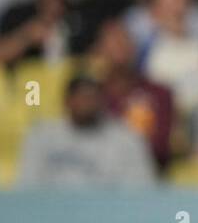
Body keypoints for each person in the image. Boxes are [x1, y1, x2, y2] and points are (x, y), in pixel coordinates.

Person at [16, 73, 155, 188]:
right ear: (67, 101)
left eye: (92, 97)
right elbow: (29, 186)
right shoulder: (42, 136)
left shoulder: (127, 139)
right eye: (81, 97)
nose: (86, 103)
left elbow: (140, 191)